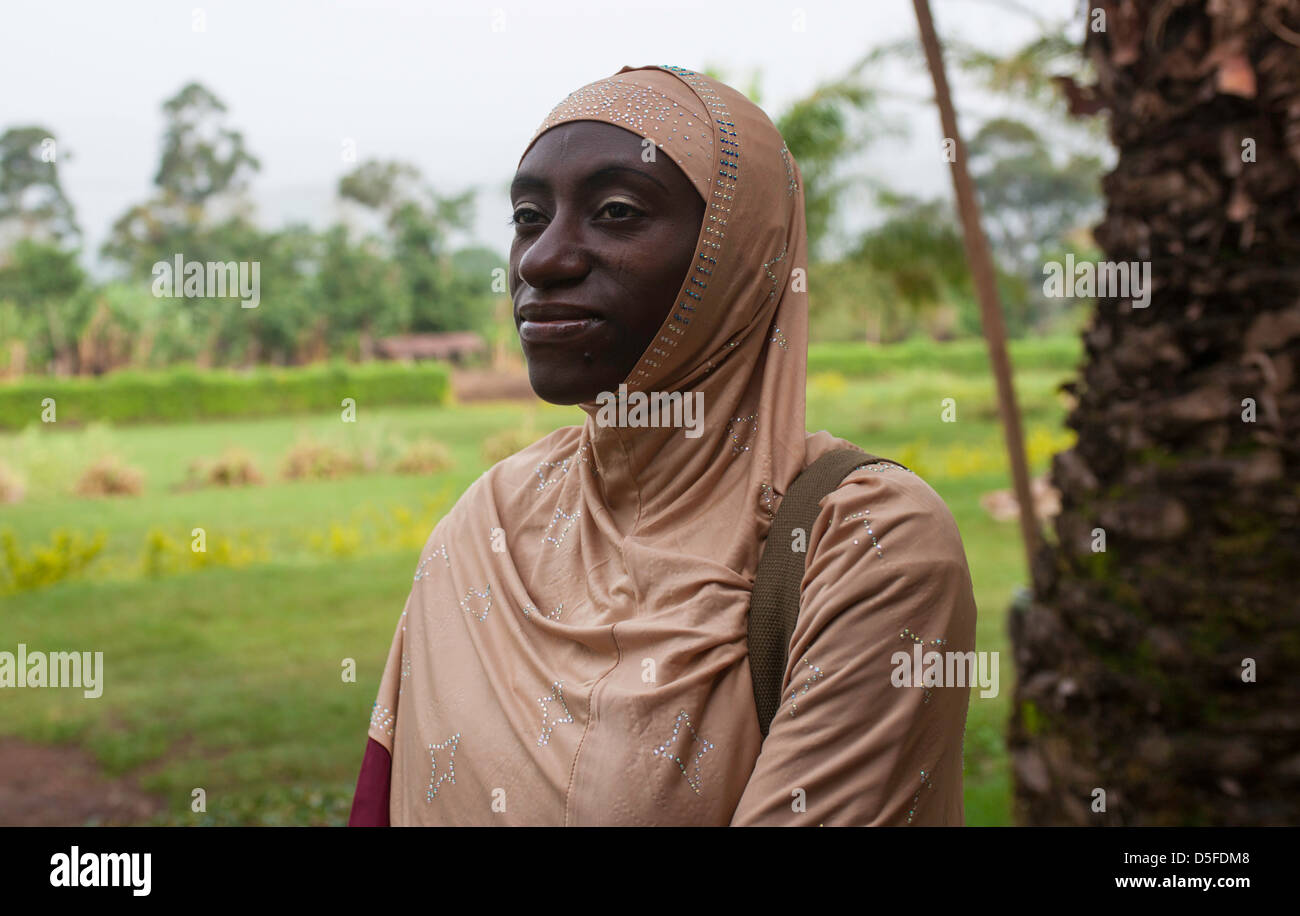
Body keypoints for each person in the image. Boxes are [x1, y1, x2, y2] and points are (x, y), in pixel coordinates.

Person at [348, 64, 977, 826]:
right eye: (527, 216)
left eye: (615, 212)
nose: (543, 260)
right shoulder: (491, 523)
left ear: (740, 256)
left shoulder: (865, 543)